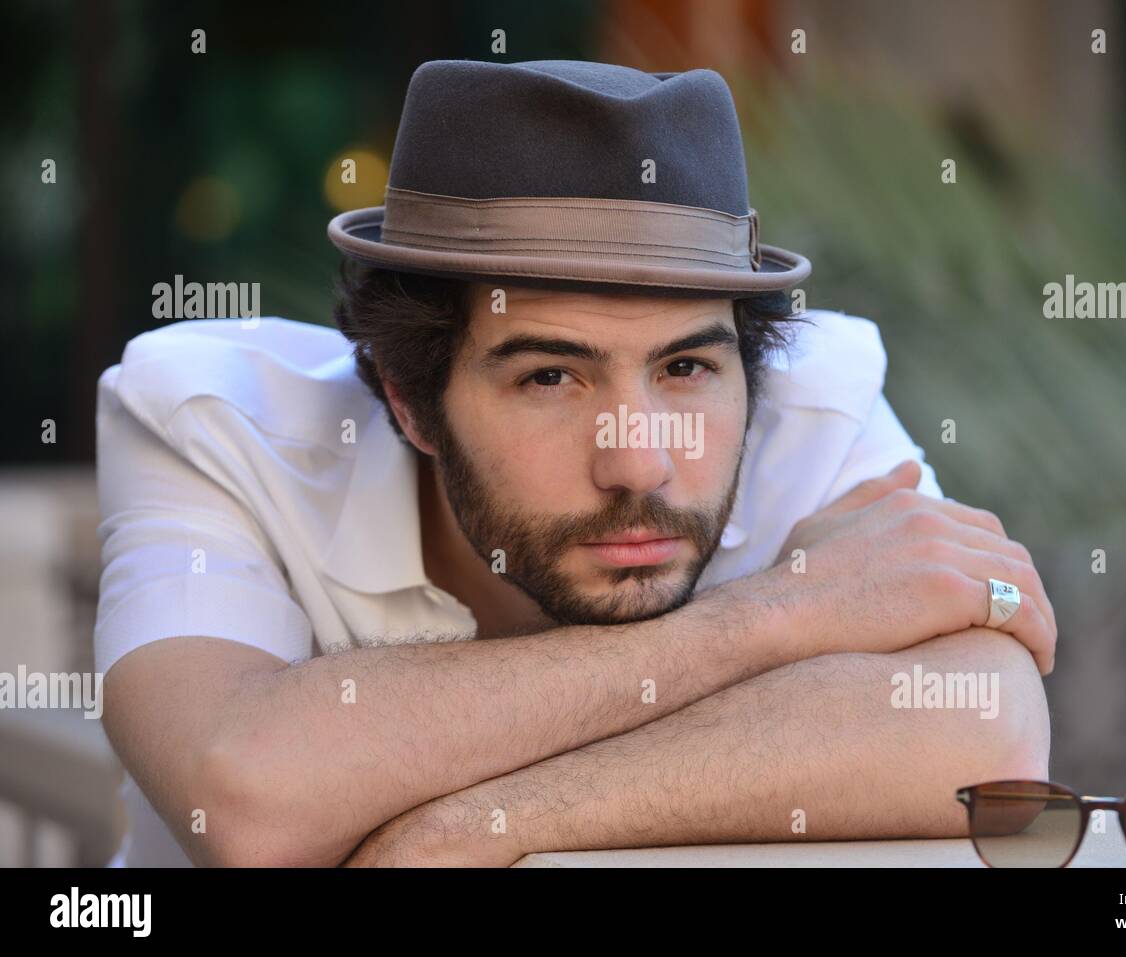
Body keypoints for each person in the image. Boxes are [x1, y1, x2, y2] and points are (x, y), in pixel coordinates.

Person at [94, 59, 1055, 867]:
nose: (640, 463)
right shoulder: (212, 417)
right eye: (551, 377)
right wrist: (780, 613)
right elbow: (245, 798)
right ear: (407, 396)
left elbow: (989, 724)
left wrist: (479, 827)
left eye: (685, 367)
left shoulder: (813, 397)